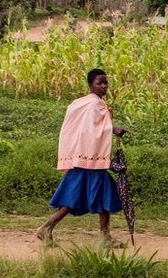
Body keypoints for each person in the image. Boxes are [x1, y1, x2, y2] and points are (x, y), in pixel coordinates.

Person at [37, 68, 128, 248]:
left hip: (86, 158)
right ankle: (46, 228)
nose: (104, 86)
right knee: (74, 199)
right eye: (99, 83)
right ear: (90, 85)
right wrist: (113, 129)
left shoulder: (84, 103)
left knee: (102, 195)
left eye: (105, 82)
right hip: (90, 161)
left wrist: (110, 126)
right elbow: (91, 131)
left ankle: (105, 237)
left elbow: (88, 129)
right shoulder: (94, 104)